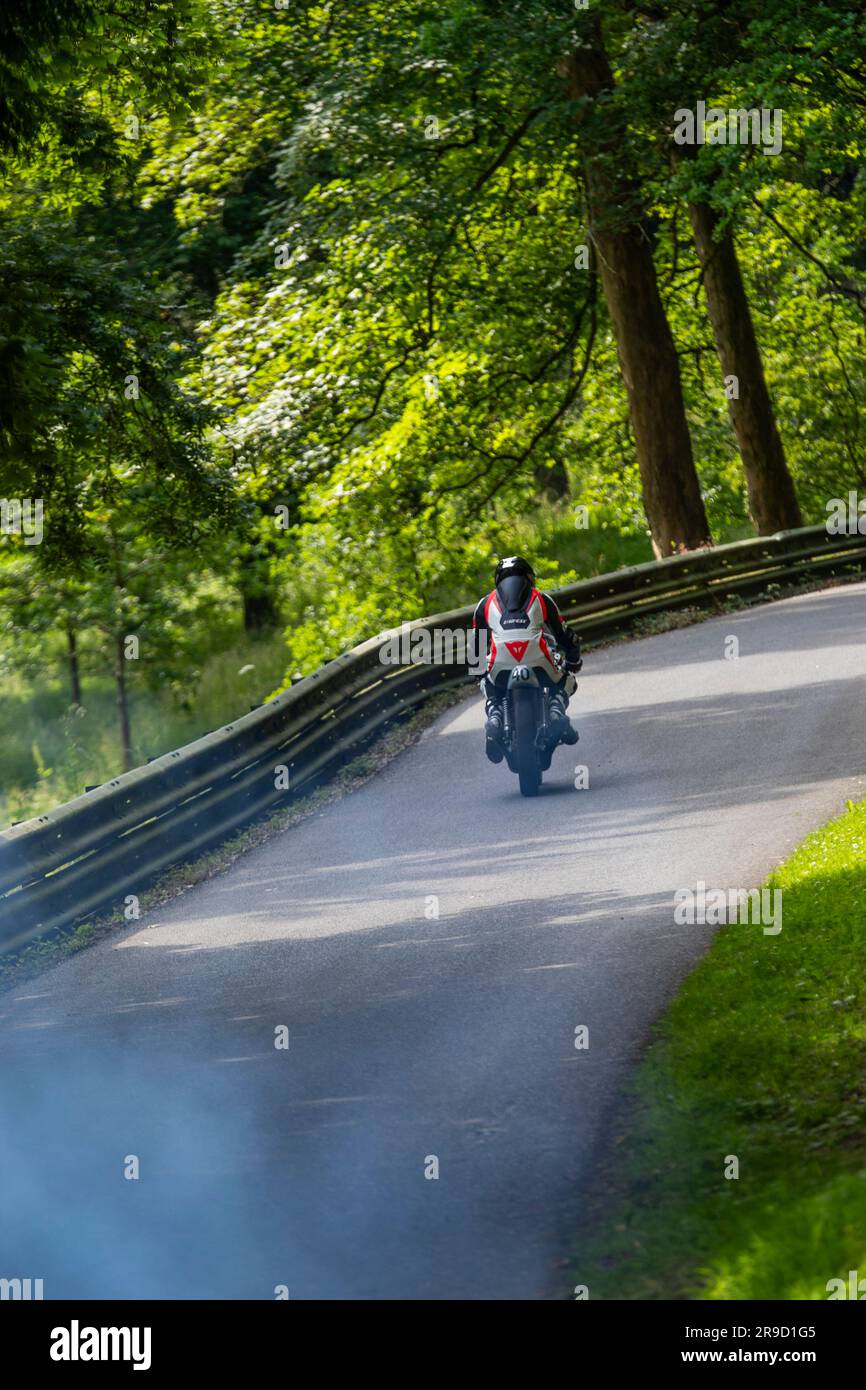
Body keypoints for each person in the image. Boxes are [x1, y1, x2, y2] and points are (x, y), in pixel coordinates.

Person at [472, 555, 582, 764]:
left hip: (501, 660)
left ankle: (495, 715)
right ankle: (557, 709)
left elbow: (476, 644)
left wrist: (476, 672)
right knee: (567, 678)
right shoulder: (542, 598)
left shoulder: (484, 604)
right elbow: (563, 633)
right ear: (530, 577)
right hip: (537, 656)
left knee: (487, 682)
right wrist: (574, 659)